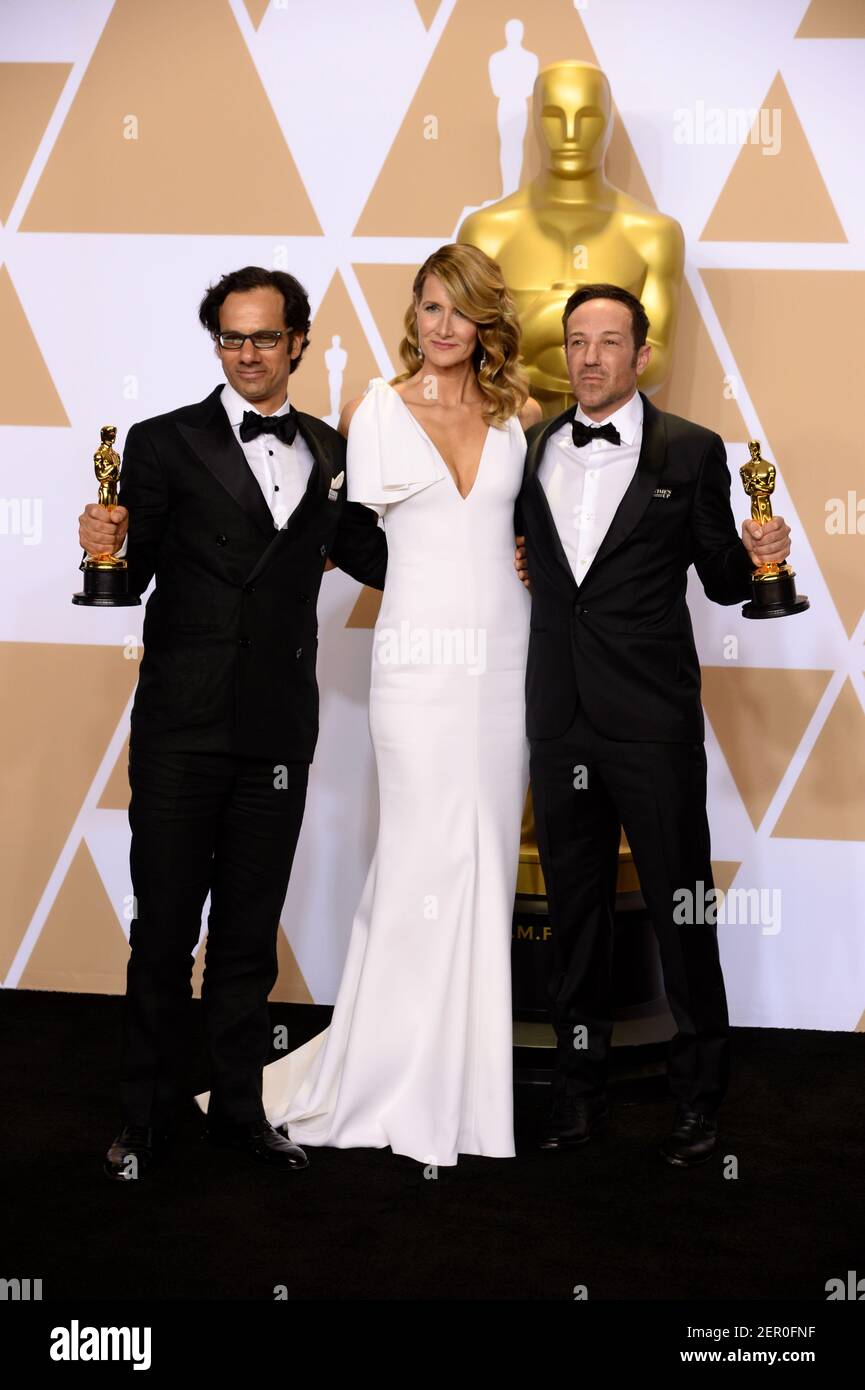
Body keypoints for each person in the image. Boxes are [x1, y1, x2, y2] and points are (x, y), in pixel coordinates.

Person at [207, 243, 542, 1166]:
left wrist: (528, 561)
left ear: (485, 322)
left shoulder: (523, 415)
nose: (440, 326)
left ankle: (467, 1092)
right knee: (420, 856)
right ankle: (387, 1078)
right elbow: (346, 537)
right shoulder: (374, 411)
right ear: (415, 314)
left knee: (480, 857)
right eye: (428, 307)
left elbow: (540, 536)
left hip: (504, 662)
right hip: (417, 663)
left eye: (458, 310)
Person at [77, 266, 388, 1180]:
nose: (247, 354)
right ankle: (142, 1120)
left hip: (280, 731)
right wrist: (105, 546)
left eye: (264, 337)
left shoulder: (332, 452)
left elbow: (380, 557)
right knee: (165, 932)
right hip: (182, 727)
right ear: (217, 343)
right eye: (231, 338)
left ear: (298, 340)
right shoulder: (163, 442)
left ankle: (242, 1115)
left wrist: (500, 545)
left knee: (250, 938)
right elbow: (127, 580)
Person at [516, 283, 791, 1166]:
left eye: (609, 341)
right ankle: (577, 1094)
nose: (590, 357)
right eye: (577, 341)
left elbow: (716, 577)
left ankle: (698, 1099)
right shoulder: (528, 450)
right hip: (559, 721)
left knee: (681, 908)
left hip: (651, 721)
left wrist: (761, 564)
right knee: (577, 916)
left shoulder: (693, 450)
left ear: (641, 355)